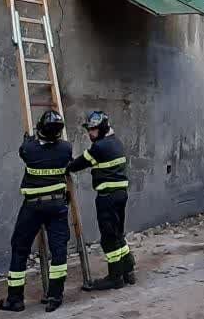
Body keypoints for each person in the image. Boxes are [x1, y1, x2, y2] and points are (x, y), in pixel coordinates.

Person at [0, 110, 73, 313]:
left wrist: (29, 138)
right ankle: (55, 297)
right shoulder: (66, 148)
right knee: (59, 251)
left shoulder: (28, 148)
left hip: (33, 206)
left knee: (20, 248)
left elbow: (26, 150)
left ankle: (15, 299)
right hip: (57, 206)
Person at [66, 111, 136, 291]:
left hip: (108, 197)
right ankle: (128, 270)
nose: (90, 133)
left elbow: (80, 163)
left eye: (93, 130)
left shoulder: (100, 147)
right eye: (89, 130)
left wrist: (66, 167)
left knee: (108, 238)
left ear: (102, 128)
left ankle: (115, 278)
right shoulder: (116, 142)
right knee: (118, 233)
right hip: (120, 194)